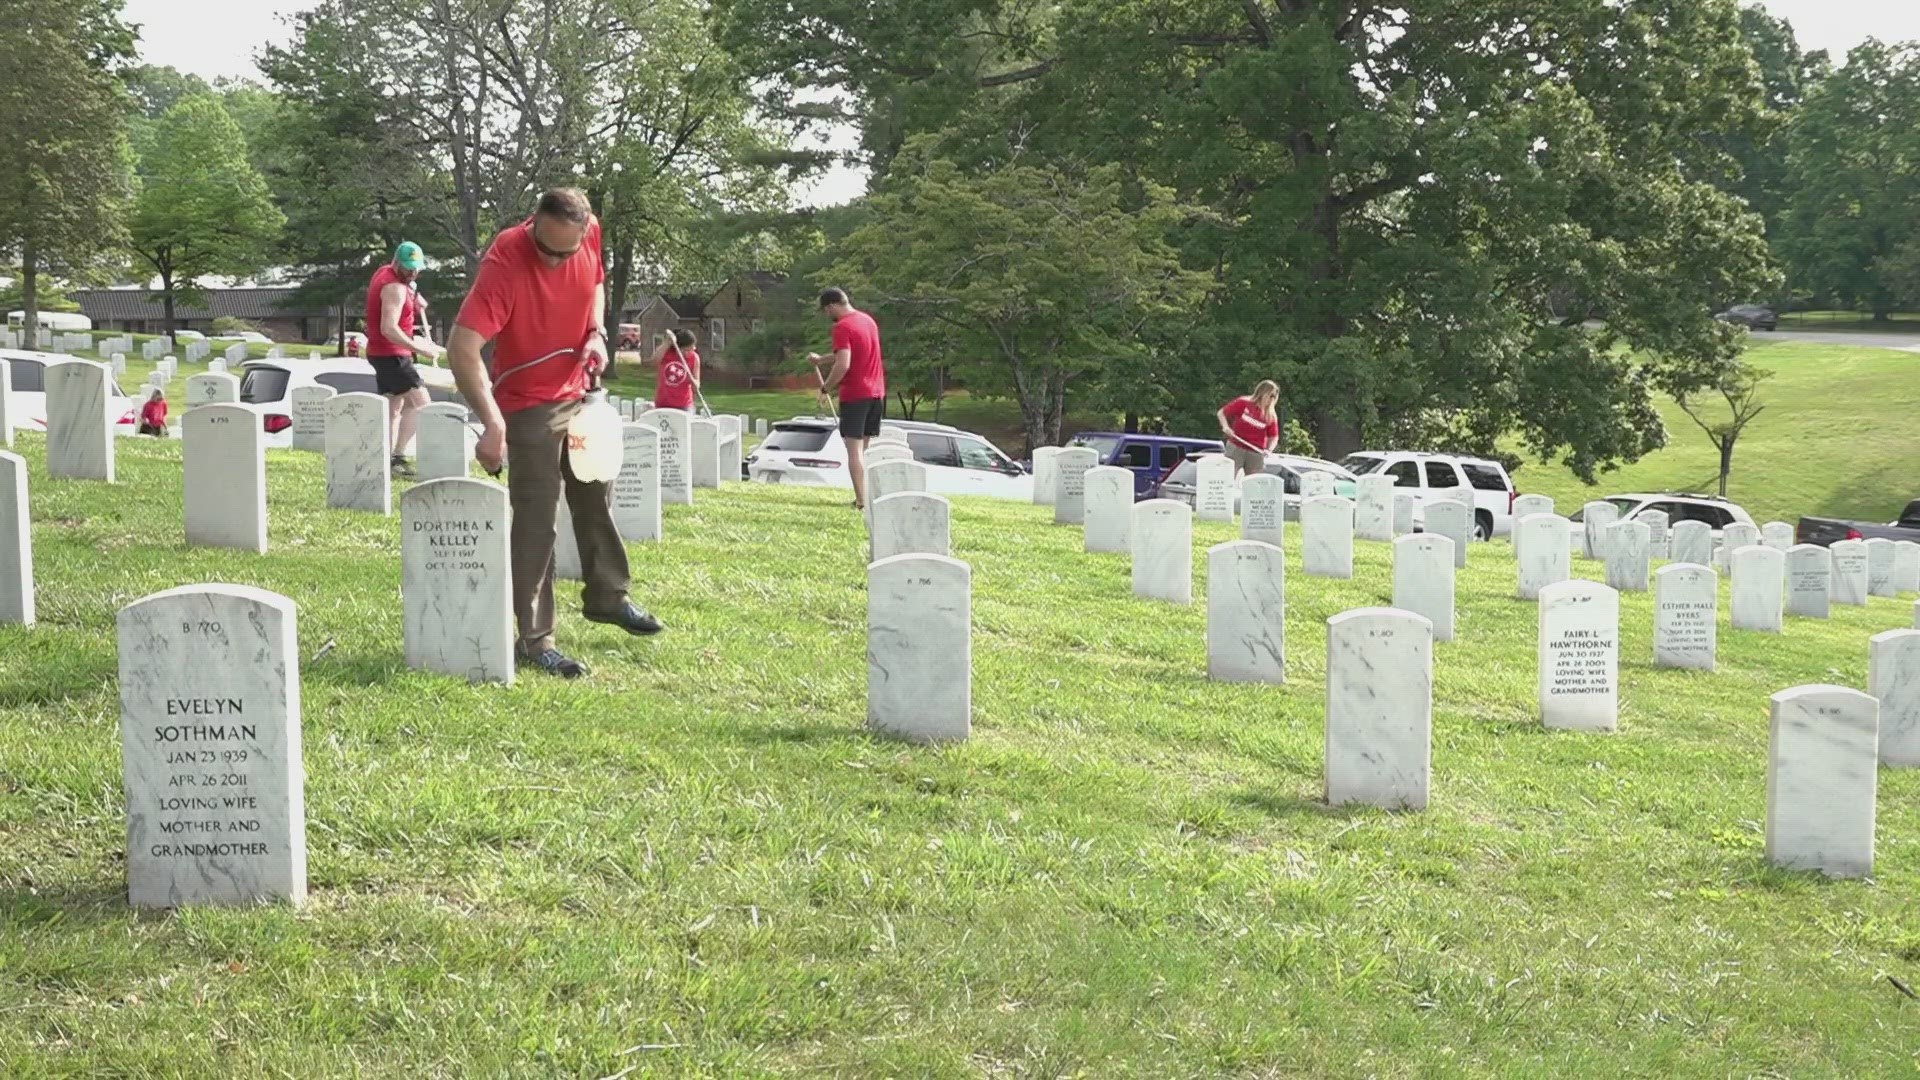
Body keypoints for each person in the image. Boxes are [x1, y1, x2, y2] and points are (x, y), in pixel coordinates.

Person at [445, 187, 664, 679]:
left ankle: (608, 596)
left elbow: (598, 284)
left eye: (564, 251)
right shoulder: (507, 258)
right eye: (545, 248)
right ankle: (534, 638)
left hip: (577, 393)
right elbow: (462, 347)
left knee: (594, 489)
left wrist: (596, 333)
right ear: (533, 227)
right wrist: (493, 421)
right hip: (526, 402)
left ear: (585, 230)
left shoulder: (589, 236)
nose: (552, 260)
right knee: (537, 518)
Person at [365, 240, 443, 478]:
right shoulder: (395, 288)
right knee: (422, 404)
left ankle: (384, 458)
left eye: (416, 267)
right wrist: (420, 349)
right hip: (392, 354)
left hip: (380, 353)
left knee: (393, 407)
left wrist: (413, 295)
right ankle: (398, 457)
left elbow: (405, 288)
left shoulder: (386, 274)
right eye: (408, 267)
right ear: (396, 261)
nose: (413, 272)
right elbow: (388, 328)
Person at [807, 287, 886, 510]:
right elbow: (849, 353)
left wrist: (825, 389)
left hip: (855, 395)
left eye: (825, 310)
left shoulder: (842, 327)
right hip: (876, 393)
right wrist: (822, 360)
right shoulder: (868, 321)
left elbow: (844, 364)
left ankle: (861, 501)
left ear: (832, 305)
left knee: (854, 451)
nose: (826, 315)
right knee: (865, 451)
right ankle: (869, 497)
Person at [1218, 380, 1281, 477]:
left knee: (1253, 483)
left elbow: (1274, 437)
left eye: (1274, 397)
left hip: (1255, 452)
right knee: (1228, 477)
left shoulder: (1271, 415)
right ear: (1262, 393)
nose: (1272, 399)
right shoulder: (1243, 402)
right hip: (1236, 446)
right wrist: (1226, 427)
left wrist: (1269, 449)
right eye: (1271, 395)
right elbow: (1221, 413)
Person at [652, 329, 700, 412]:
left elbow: (696, 387)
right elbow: (654, 361)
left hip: (684, 404)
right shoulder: (666, 353)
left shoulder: (694, 358)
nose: (688, 353)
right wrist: (667, 343)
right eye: (686, 350)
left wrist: (692, 380)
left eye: (691, 349)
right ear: (677, 347)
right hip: (663, 403)